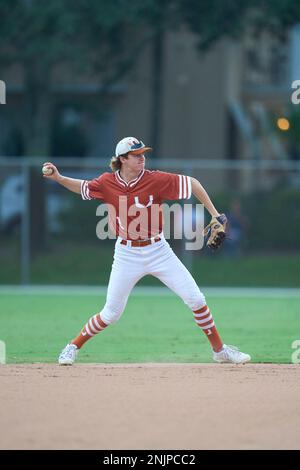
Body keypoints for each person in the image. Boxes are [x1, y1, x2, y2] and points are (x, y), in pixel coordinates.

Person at [43, 137, 251, 365]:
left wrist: (215, 214)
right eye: (136, 154)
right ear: (122, 159)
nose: (142, 158)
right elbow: (82, 187)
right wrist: (59, 178)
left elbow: (192, 183)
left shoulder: (155, 179)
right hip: (126, 254)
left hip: (158, 249)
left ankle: (220, 352)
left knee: (196, 299)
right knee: (111, 313)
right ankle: (72, 346)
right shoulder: (106, 182)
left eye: (143, 153)